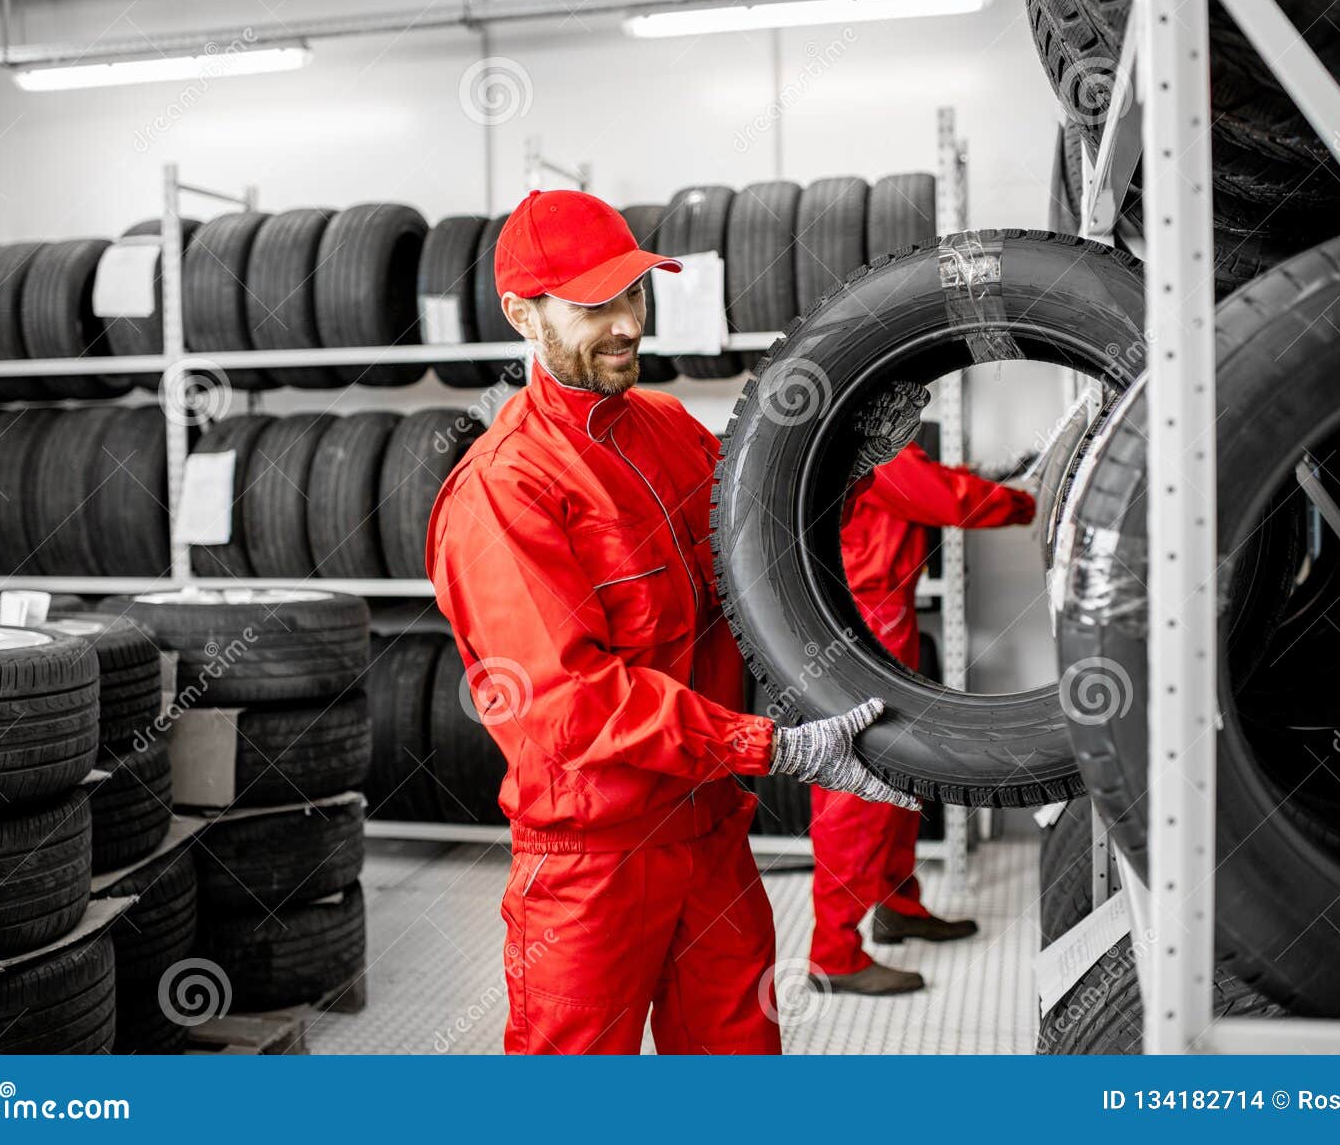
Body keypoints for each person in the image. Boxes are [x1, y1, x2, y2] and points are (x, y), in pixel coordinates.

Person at [425, 188, 918, 1055]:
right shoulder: (505, 489)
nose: (624, 324)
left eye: (634, 294)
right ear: (521, 314)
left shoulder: (668, 428)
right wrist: (770, 748)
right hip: (591, 864)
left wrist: (843, 466)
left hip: (712, 837)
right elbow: (570, 704)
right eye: (592, 305)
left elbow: (761, 557)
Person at [807, 440, 1037, 995]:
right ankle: (832, 956)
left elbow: (928, 477)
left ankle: (896, 904)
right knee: (857, 793)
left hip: (883, 620)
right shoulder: (863, 436)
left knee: (898, 773)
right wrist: (1027, 504)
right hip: (861, 629)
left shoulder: (878, 434)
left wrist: (984, 472)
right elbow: (947, 499)